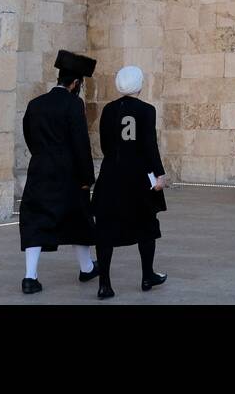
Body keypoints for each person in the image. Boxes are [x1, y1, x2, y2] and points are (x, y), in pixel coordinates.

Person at [18, 50, 100, 294]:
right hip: (69, 174)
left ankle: (30, 277)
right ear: (75, 84)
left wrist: (44, 157)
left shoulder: (35, 104)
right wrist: (87, 177)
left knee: (35, 221)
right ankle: (86, 268)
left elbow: (29, 136)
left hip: (40, 171)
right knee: (78, 220)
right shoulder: (74, 104)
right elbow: (80, 143)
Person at [90, 65, 168, 299]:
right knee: (146, 224)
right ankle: (147, 275)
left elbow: (104, 144)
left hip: (111, 174)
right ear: (139, 84)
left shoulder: (109, 110)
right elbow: (149, 144)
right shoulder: (147, 110)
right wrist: (159, 173)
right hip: (138, 175)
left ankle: (104, 284)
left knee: (105, 228)